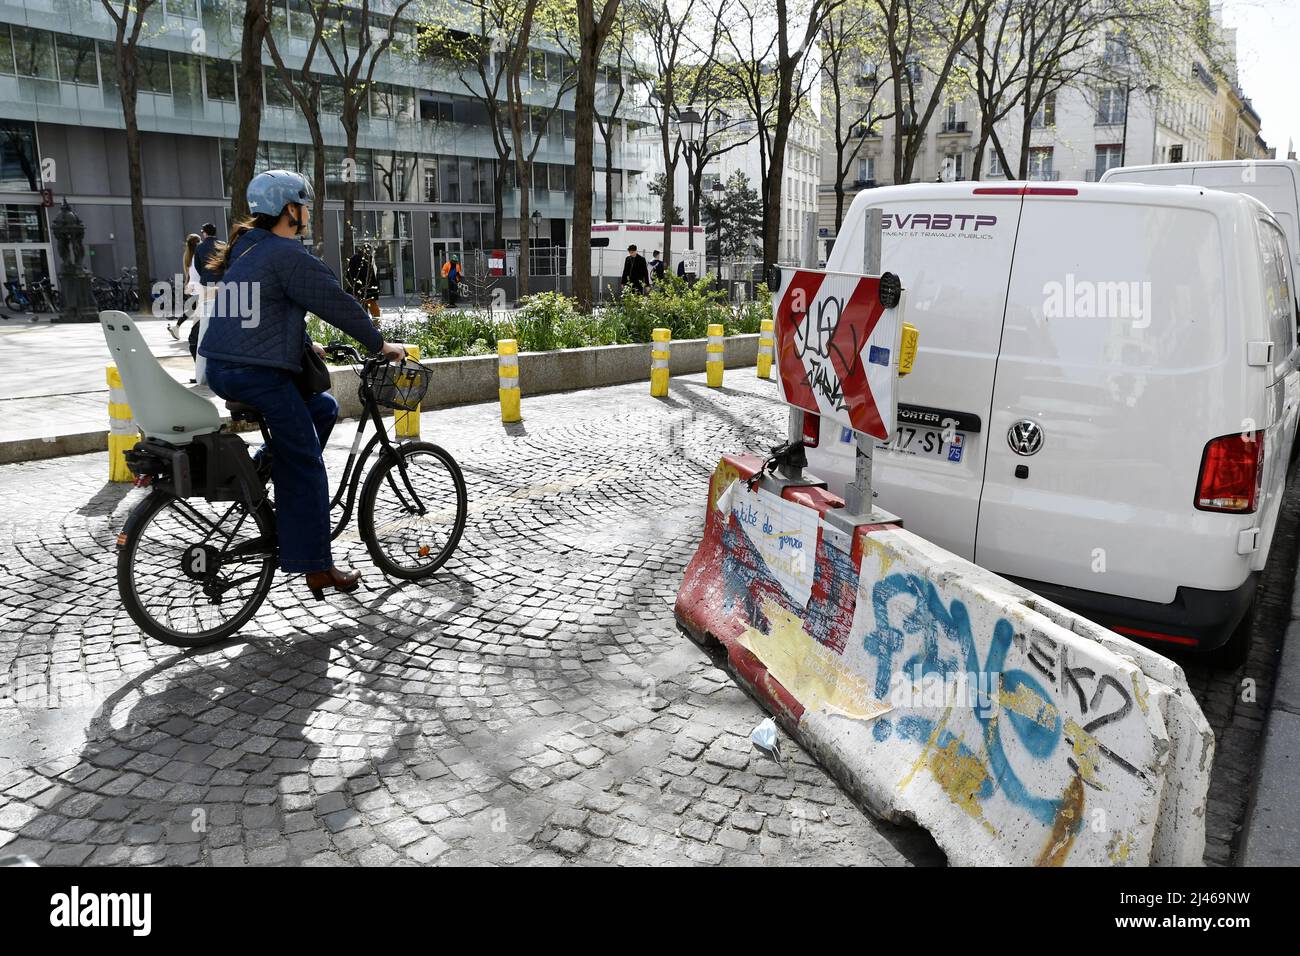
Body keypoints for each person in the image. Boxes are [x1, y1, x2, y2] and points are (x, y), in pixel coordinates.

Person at [199, 169, 407, 599]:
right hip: (255, 374)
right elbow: (336, 302)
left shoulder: (246, 248)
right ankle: (316, 565)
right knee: (308, 464)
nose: (309, 211)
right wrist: (380, 342)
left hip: (224, 367)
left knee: (323, 408)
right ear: (289, 210)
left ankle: (260, 473)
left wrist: (303, 342)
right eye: (305, 204)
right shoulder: (285, 253)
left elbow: (257, 312)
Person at [167, 233, 203, 341]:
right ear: (198, 242)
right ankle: (194, 334)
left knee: (193, 309)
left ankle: (176, 328)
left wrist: (186, 285)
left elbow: (187, 273)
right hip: (200, 285)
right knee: (198, 309)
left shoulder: (187, 255)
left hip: (192, 285)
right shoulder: (199, 254)